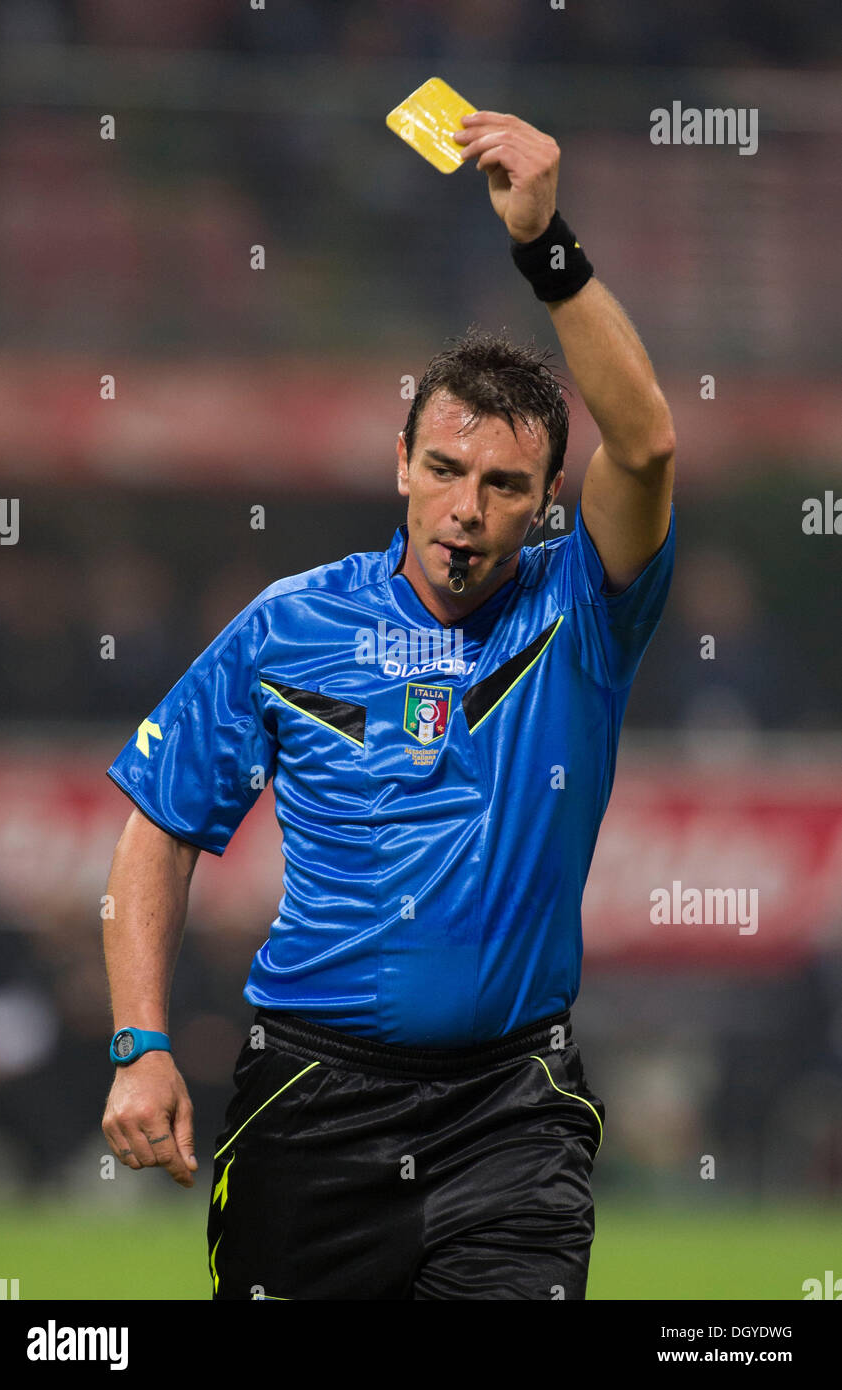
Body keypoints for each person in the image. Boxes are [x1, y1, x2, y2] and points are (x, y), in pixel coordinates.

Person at [101, 110, 676, 1300]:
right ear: (401, 465)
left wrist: (544, 245)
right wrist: (141, 1041)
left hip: (511, 1114)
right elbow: (158, 826)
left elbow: (649, 439)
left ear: (544, 505)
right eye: (446, 469)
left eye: (505, 484)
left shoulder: (581, 609)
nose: (467, 505)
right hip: (311, 1104)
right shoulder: (287, 625)